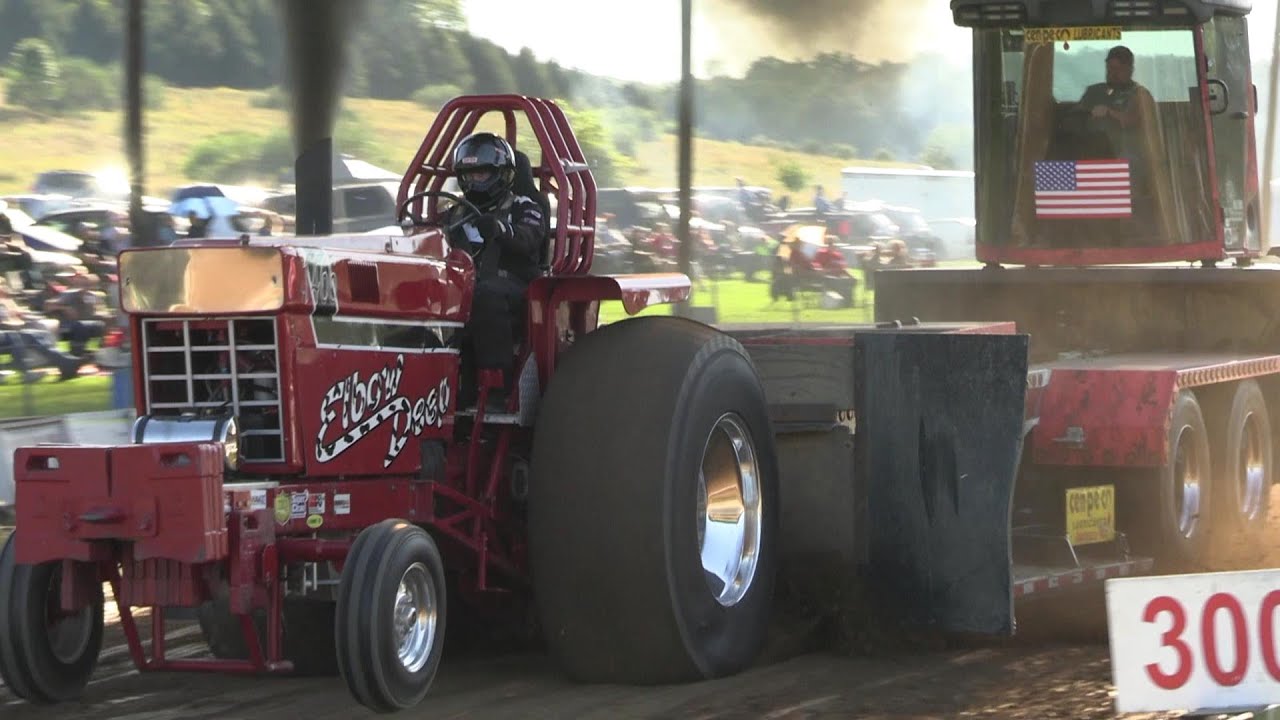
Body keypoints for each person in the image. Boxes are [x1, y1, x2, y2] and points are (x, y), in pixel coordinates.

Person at [442, 132, 548, 412]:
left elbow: (530, 238)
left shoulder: (524, 206)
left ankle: (496, 387)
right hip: (464, 287)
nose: (475, 180)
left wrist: (502, 230)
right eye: (470, 173)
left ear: (501, 174)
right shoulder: (454, 214)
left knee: (484, 295)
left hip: (514, 288)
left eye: (482, 173)